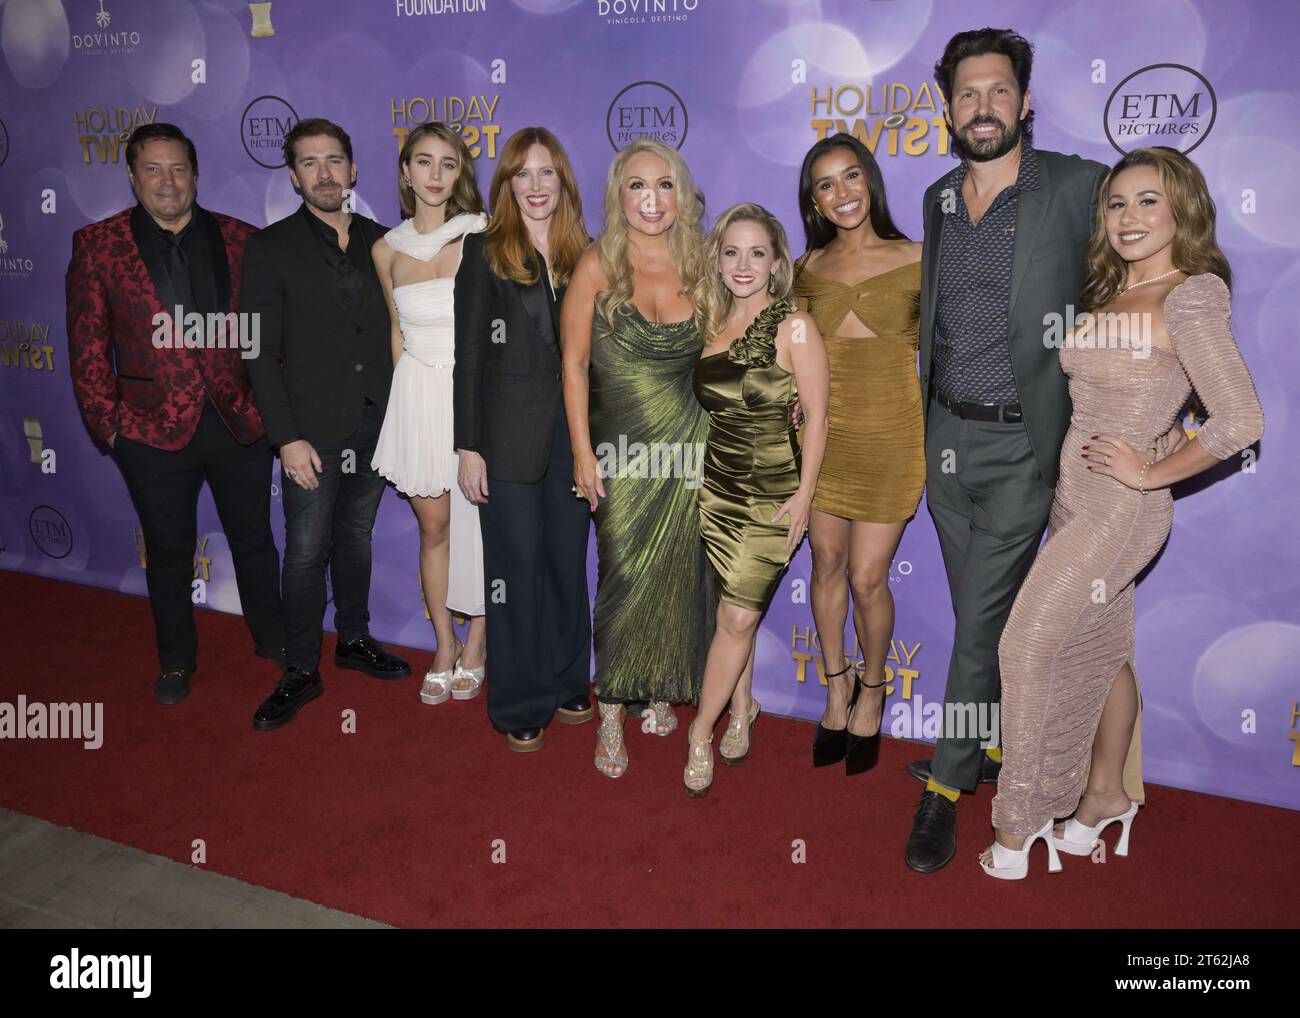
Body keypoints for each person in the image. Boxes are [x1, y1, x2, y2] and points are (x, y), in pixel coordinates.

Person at [979, 147, 1264, 878]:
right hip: (1074, 502)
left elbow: (1239, 419)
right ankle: (1105, 795)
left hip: (1121, 512)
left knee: (1026, 646)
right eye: (1117, 203)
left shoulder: (1191, 294)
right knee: (1101, 649)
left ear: (1181, 212)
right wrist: (1163, 428)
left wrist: (1153, 470)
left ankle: (1019, 825)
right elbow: (1157, 391)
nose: (1129, 217)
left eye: (1148, 202)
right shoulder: (1108, 293)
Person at [905, 28, 1112, 873]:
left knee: (983, 622)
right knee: (975, 623)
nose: (982, 107)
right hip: (946, 436)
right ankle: (988, 746)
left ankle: (946, 791)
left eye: (998, 91)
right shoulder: (938, 197)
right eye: (966, 93)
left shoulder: (1078, 186)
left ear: (1025, 101)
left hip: (1028, 442)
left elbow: (1137, 278)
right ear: (946, 106)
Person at [66, 122, 285, 707]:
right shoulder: (99, 245)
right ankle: (176, 661)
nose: (168, 182)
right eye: (154, 170)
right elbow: (88, 345)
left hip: (238, 421)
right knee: (167, 549)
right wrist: (110, 427)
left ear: (195, 173)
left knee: (255, 540)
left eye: (179, 169)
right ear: (134, 175)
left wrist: (268, 408)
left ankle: (274, 638)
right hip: (149, 429)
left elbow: (270, 335)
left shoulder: (243, 239)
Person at [242, 118, 410, 732]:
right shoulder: (270, 248)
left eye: (334, 160)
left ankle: (354, 639)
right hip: (310, 430)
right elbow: (258, 351)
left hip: (374, 420)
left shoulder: (383, 239)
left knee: (356, 536)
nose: (324, 173)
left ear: (354, 170)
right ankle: (300, 667)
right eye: (310, 163)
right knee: (307, 551)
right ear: (293, 176)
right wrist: (285, 436)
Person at [561, 139, 713, 779]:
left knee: (681, 573)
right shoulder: (598, 265)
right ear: (618, 196)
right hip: (620, 452)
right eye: (637, 187)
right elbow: (571, 364)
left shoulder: (705, 261)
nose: (652, 200)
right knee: (622, 576)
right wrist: (580, 453)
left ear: (682, 193)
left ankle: (660, 688)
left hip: (690, 445)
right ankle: (611, 715)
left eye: (665, 185)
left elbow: (737, 348)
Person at [453, 127, 595, 752]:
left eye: (547, 174)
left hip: (576, 439)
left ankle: (569, 681)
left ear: (563, 181)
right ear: (506, 185)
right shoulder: (483, 251)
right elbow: (469, 358)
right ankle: (517, 701)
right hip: (505, 442)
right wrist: (468, 446)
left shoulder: (587, 253)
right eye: (522, 175)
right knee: (513, 571)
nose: (536, 187)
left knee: (566, 566)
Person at [684, 203, 829, 796]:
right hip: (715, 490)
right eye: (731, 252)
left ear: (776, 263)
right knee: (730, 616)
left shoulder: (795, 325)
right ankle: (743, 708)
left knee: (739, 615)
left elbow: (818, 417)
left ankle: (698, 733)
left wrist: (804, 497)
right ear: (717, 259)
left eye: (757, 253)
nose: (743, 265)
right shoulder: (710, 324)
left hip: (772, 497)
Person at [792, 133, 924, 777]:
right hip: (824, 439)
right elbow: (789, 354)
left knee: (869, 578)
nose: (841, 194)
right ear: (813, 200)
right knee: (825, 563)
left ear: (869, 180)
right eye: (825, 184)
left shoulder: (921, 257)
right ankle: (835, 688)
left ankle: (874, 690)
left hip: (894, 437)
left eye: (850, 178)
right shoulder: (805, 268)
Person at [370, 123, 488, 708]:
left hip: (473, 395)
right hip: (417, 396)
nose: (436, 175)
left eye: (448, 164)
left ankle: (480, 642)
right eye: (424, 162)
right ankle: (443, 643)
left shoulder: (481, 237)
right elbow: (396, 329)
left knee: (484, 527)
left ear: (460, 173)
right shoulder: (385, 250)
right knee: (435, 528)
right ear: (407, 171)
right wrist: (403, 404)